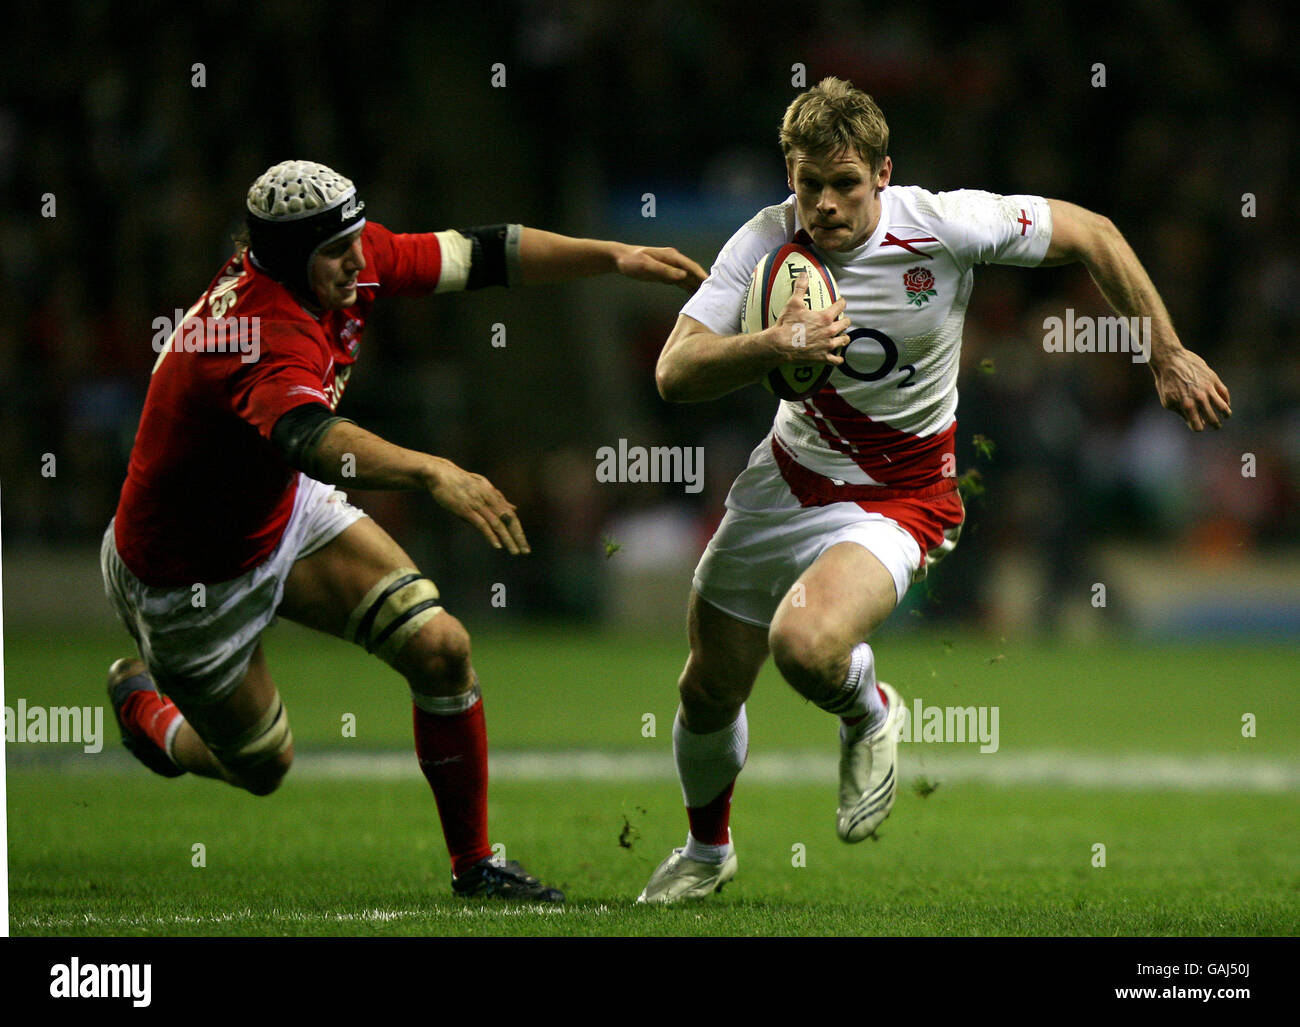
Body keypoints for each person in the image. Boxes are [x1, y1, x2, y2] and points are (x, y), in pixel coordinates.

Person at [638, 78, 1231, 903]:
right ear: (790, 175)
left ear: (884, 172)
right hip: (787, 474)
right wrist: (770, 341)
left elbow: (1093, 232)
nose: (826, 205)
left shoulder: (943, 224)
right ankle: (707, 852)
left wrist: (1163, 351)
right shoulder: (766, 243)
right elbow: (673, 371)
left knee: (803, 646)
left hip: (901, 494)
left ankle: (869, 705)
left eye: (845, 183)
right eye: (808, 184)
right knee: (705, 685)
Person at [103, 159, 706, 904]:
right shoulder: (253, 330)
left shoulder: (347, 261)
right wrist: (429, 470)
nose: (360, 259)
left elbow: (484, 253)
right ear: (291, 260)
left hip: (280, 511)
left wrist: (609, 256)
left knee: (441, 646)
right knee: (263, 765)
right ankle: (148, 716)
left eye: (358, 238)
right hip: (187, 574)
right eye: (337, 250)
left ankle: (476, 866)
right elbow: (310, 437)